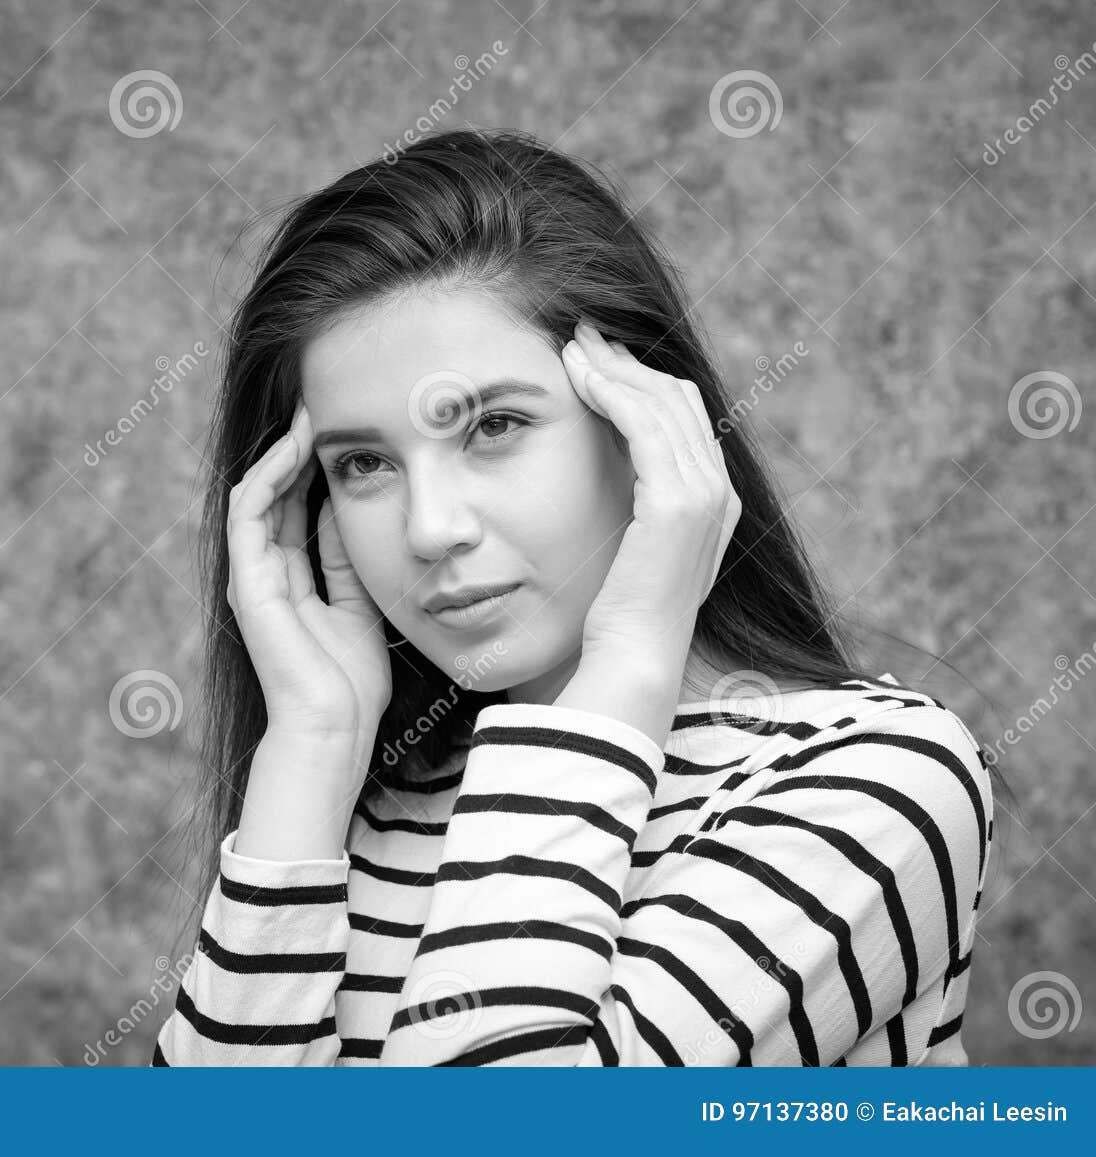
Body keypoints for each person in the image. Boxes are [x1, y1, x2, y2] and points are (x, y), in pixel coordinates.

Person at [151, 127, 1002, 1066]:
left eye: (495, 426)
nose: (431, 528)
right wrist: (312, 746)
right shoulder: (354, 818)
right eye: (365, 463)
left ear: (643, 422)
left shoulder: (874, 781)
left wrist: (632, 654)